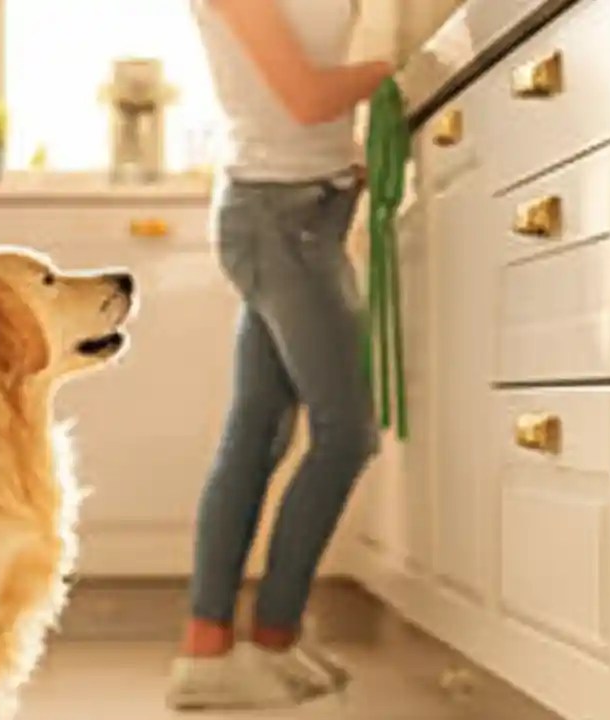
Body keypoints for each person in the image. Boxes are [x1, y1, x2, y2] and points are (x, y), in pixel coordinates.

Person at [167, 0, 393, 710]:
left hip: (310, 210)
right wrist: (401, 72)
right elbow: (304, 98)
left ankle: (219, 652)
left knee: (260, 430)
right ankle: (267, 635)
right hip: (277, 218)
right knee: (345, 433)